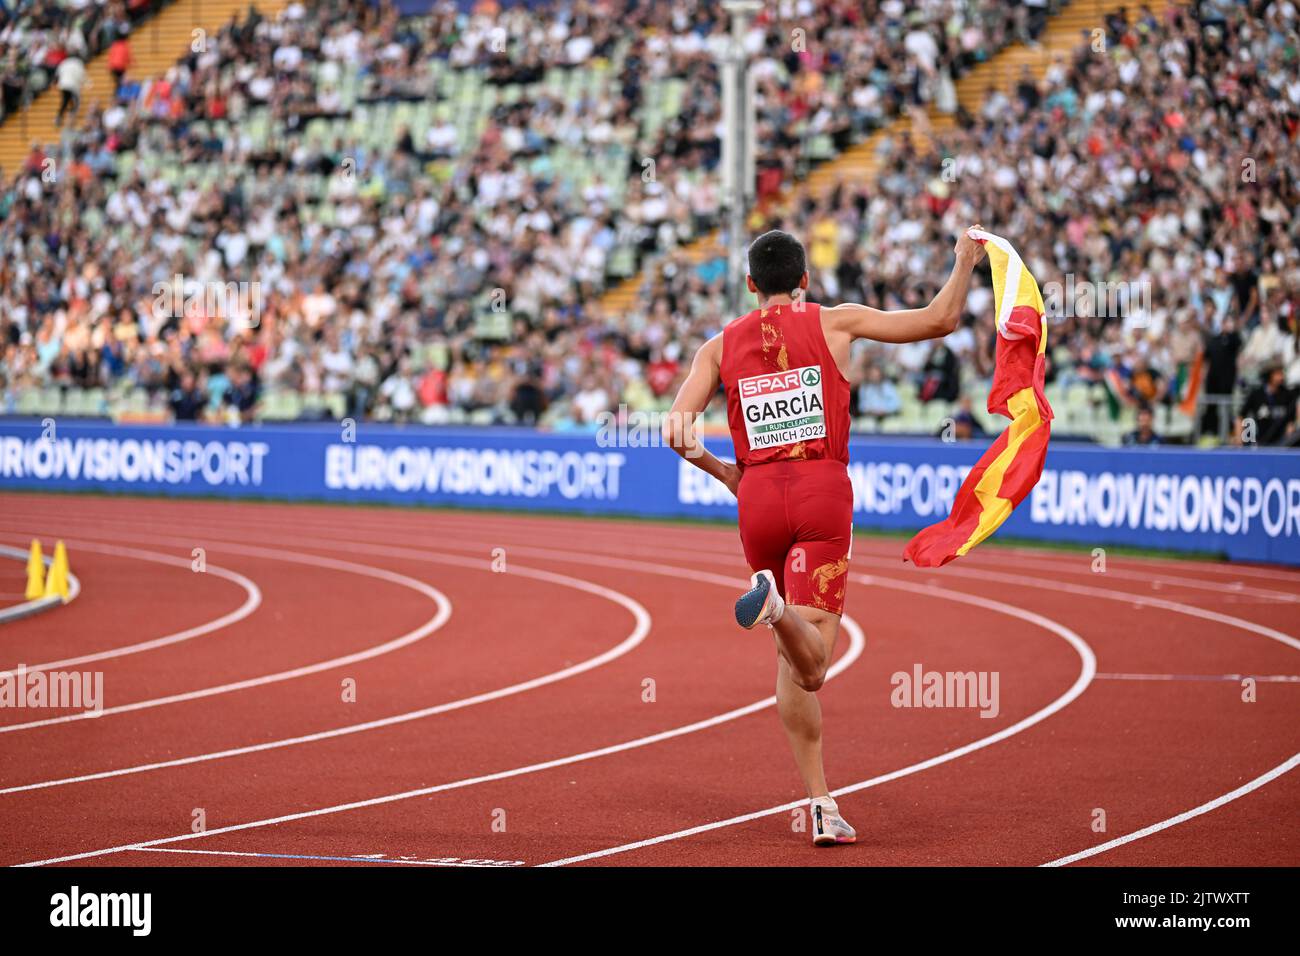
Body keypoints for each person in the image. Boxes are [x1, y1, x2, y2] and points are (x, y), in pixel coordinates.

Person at [663, 226, 987, 846]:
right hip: (821, 491)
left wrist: (728, 472)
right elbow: (941, 320)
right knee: (811, 668)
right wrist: (964, 260)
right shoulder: (836, 322)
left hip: (757, 499)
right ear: (805, 280)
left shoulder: (719, 348)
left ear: (751, 285)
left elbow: (675, 431)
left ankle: (821, 804)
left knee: (789, 662)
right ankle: (779, 609)